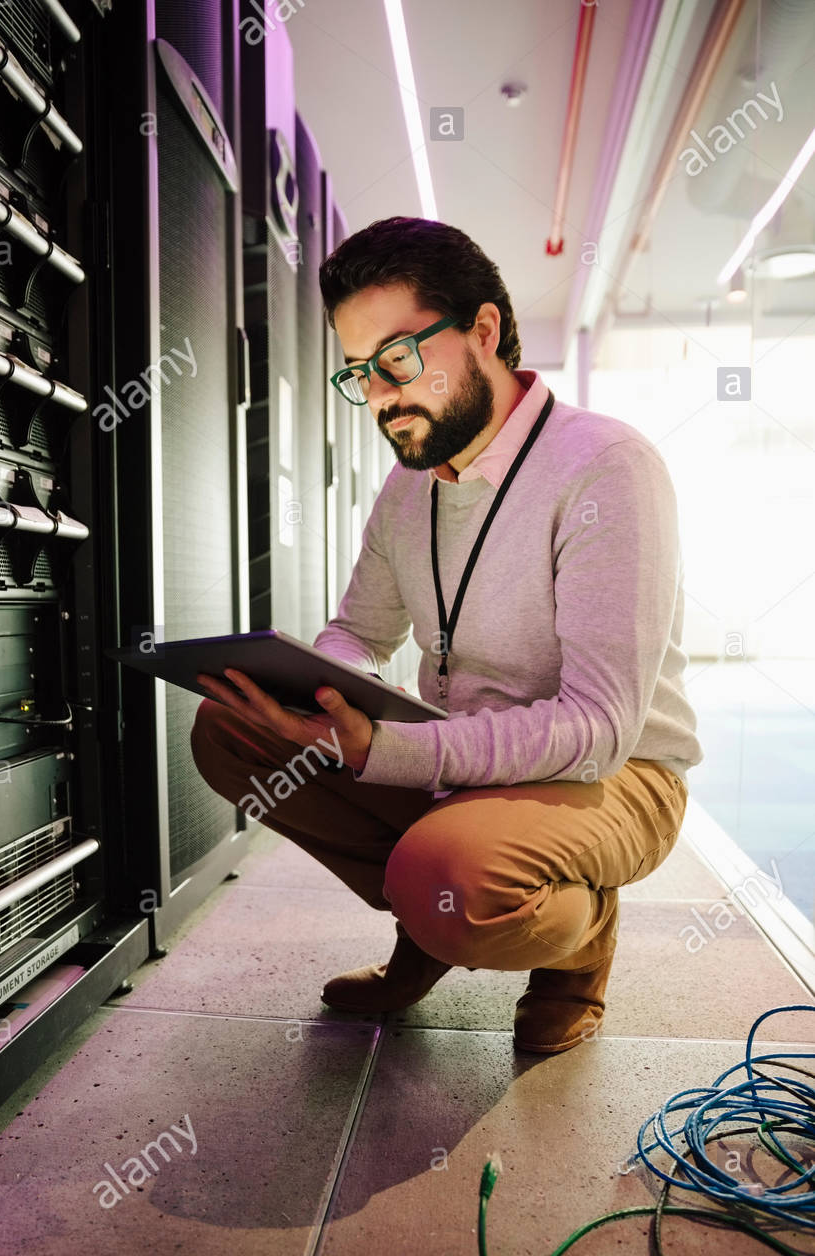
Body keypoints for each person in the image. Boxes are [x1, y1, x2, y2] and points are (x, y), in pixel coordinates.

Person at [191, 215, 703, 1054]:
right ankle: (427, 923)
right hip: (461, 753)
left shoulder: (607, 466)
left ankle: (579, 936)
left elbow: (599, 729)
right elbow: (359, 630)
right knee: (231, 727)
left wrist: (382, 751)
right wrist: (321, 684)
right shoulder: (410, 487)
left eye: (397, 359)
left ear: (485, 332)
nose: (382, 394)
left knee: (456, 878)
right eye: (360, 372)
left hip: (616, 770)